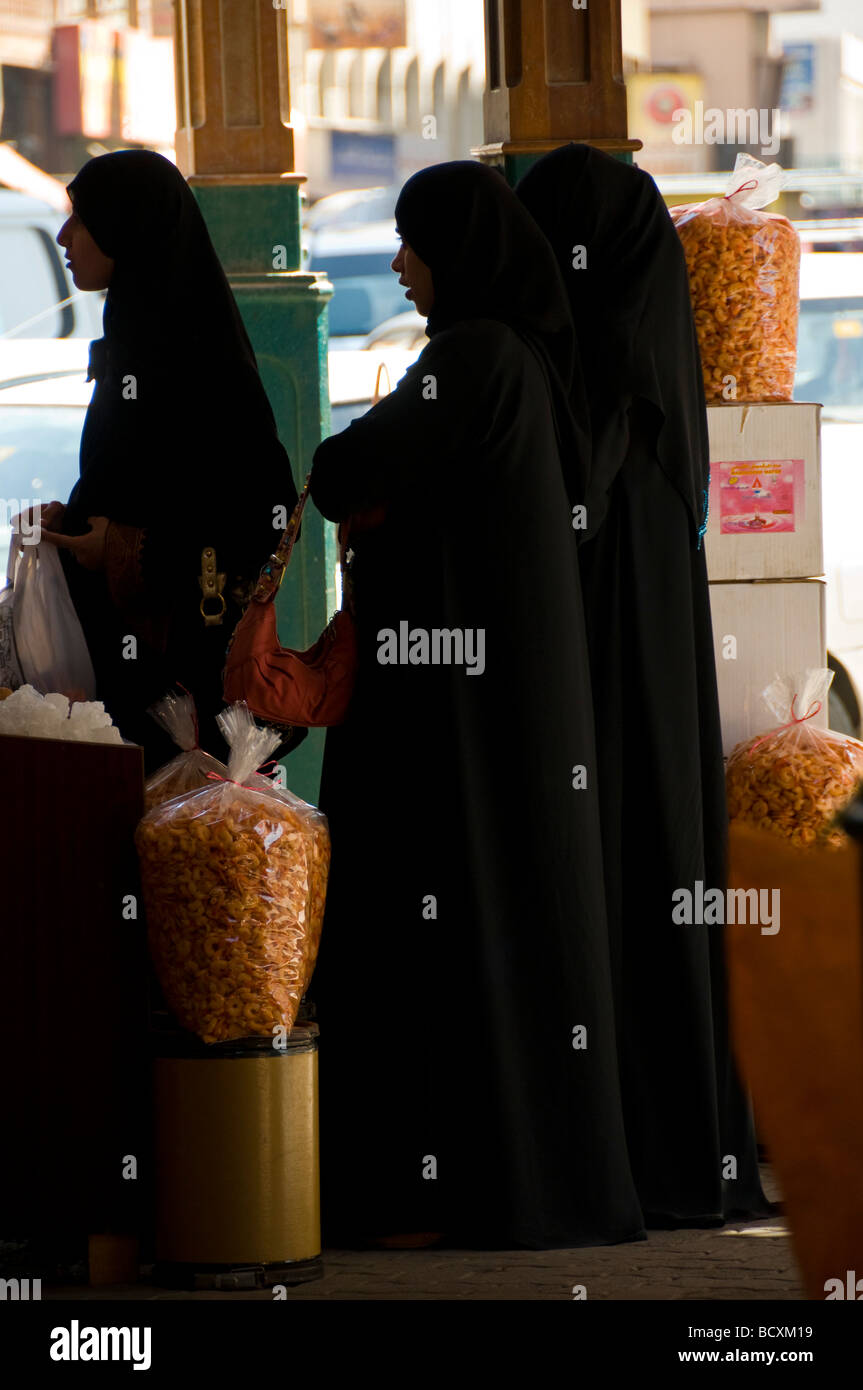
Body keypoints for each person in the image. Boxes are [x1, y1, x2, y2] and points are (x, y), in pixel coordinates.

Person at [307, 160, 647, 1250]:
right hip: (507, 709)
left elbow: (336, 468)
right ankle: (510, 1185)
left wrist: (371, 488)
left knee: (441, 929)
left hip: (453, 719)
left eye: (415, 246)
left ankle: (431, 1189)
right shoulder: (537, 361)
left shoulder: (472, 358)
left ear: (463, 254)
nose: (400, 265)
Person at [517, 142, 770, 1224]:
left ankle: (617, 1146)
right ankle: (674, 1147)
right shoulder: (650, 378)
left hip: (600, 688)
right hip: (649, 693)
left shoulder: (596, 380)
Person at [37, 150, 299, 771]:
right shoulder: (133, 334)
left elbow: (261, 510)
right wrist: (75, 521)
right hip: (120, 671)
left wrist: (126, 548)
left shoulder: (200, 359)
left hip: (179, 678)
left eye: (83, 218)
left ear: (131, 227)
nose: (64, 237)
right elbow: (133, 479)